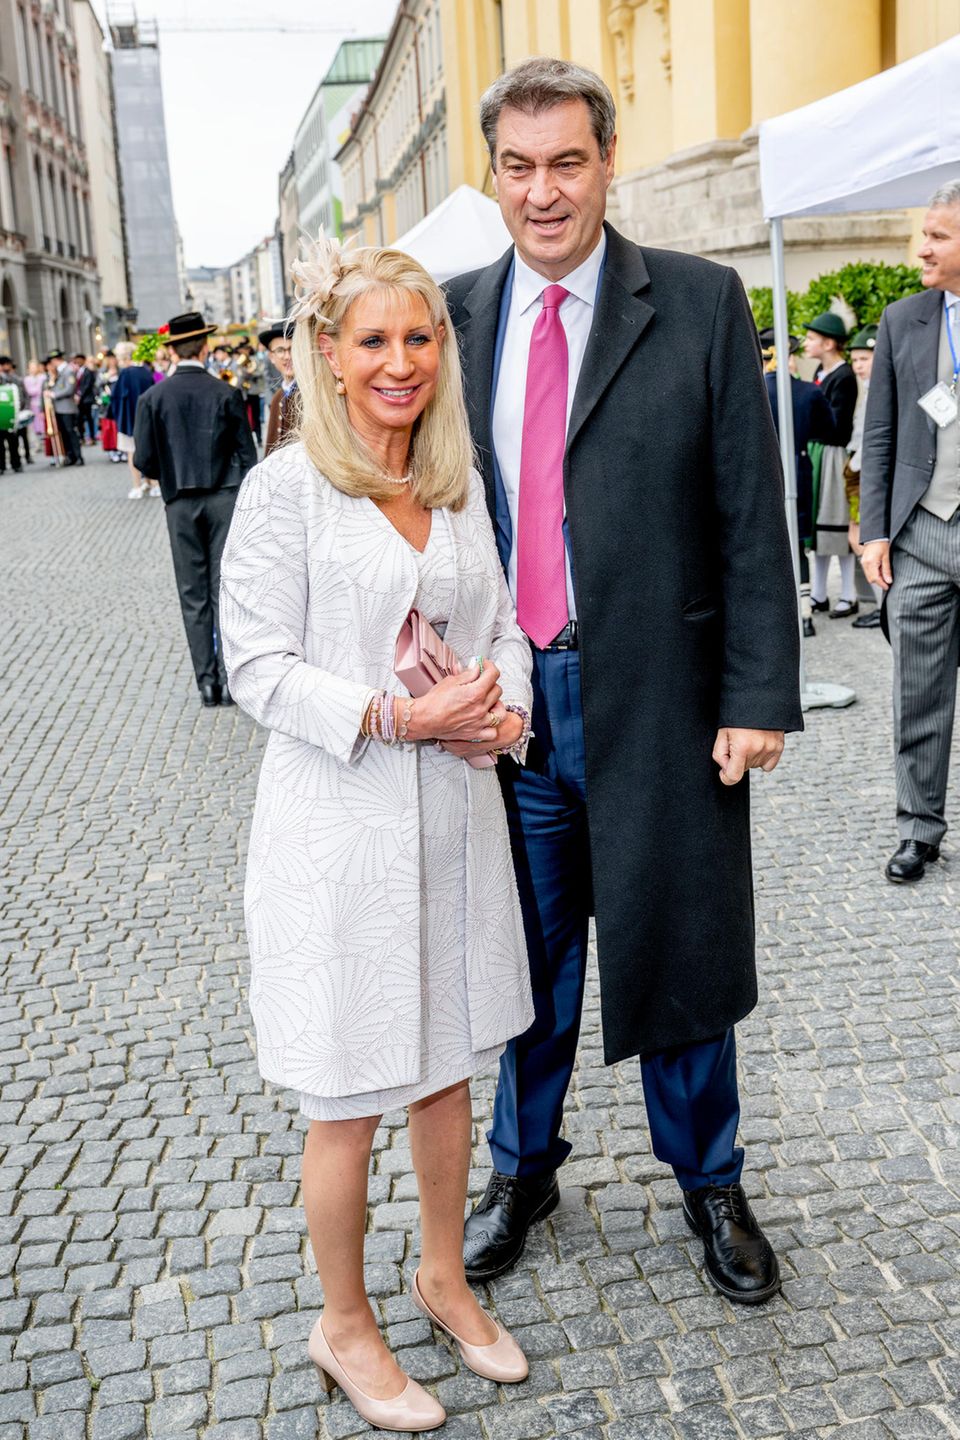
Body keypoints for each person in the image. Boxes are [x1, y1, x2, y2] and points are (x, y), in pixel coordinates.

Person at [444, 58, 802, 1305]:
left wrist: (757, 694)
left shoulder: (700, 302)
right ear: (494, 173)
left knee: (682, 952)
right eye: (520, 165)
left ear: (608, 162)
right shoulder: (455, 316)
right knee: (520, 961)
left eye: (568, 162)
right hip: (509, 711)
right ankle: (522, 1167)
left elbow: (751, 513)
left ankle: (710, 1178)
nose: (544, 192)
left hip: (661, 697)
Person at [219, 239, 534, 1434]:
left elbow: (502, 627)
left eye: (419, 338)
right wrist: (394, 715)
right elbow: (254, 666)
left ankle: (443, 1275)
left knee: (448, 1072)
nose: (399, 362)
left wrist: (502, 711)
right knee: (347, 1094)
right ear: (331, 358)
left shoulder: (454, 483)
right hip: (336, 834)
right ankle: (342, 1323)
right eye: (374, 341)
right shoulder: (286, 490)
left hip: (454, 823)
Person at [860, 179, 960, 883]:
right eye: (923, 233)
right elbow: (883, 432)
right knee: (918, 693)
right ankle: (919, 829)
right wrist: (873, 534)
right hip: (922, 533)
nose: (920, 247)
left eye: (937, 236)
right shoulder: (904, 319)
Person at [134, 312, 256, 707]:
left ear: (171, 350)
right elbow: (246, 455)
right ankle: (229, 676)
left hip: (180, 502)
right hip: (223, 498)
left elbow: (144, 459)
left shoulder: (152, 398)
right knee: (225, 590)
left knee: (193, 594)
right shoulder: (225, 393)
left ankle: (207, 683)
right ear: (204, 347)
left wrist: (169, 477)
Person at [760, 329, 841, 636]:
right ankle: (805, 614)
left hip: (765, 471)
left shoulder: (753, 390)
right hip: (799, 466)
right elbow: (829, 430)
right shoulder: (809, 391)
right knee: (798, 544)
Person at [804, 312, 859, 617]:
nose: (807, 343)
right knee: (819, 528)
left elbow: (837, 426)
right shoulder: (820, 372)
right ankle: (819, 592)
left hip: (833, 454)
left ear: (828, 343)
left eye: (812, 338)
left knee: (836, 525)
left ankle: (849, 594)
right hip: (818, 452)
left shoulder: (843, 376)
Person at [844, 327, 883, 630]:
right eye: (855, 359)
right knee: (858, 539)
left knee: (865, 540)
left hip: (867, 473)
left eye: (864, 359)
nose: (858, 365)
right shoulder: (867, 388)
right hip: (857, 470)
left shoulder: (880, 389)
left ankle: (883, 606)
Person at [109, 341, 156, 497]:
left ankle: (137, 486)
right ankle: (152, 483)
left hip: (130, 419)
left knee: (132, 453)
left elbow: (117, 397)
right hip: (147, 419)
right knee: (149, 451)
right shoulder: (145, 371)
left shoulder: (126, 374)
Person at [259, 322, 299, 455]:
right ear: (271, 357)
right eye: (280, 350)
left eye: (292, 349)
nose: (287, 356)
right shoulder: (277, 397)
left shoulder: (313, 392)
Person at [44, 349, 83, 466]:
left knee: (71, 432)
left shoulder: (68, 370)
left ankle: (78, 456)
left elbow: (69, 389)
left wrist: (54, 394)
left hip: (67, 408)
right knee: (64, 434)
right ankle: (70, 456)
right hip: (58, 408)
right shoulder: (59, 371)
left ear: (56, 360)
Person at [0, 356, 28, 470]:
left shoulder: (16, 379)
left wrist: (19, 409)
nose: (8, 367)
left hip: (13, 415)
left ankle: (16, 464)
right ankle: (1, 466)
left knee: (13, 441)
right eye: (5, 364)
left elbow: (22, 395)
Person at [23, 359, 46, 458]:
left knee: (44, 423)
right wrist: (38, 389)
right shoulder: (27, 379)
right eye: (31, 367)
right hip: (33, 404)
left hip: (44, 403)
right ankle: (37, 443)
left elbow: (43, 390)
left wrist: (38, 389)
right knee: (35, 425)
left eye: (35, 367)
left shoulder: (43, 377)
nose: (33, 369)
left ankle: (45, 442)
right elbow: (30, 391)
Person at [73, 353, 98, 444]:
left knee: (89, 418)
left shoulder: (88, 372)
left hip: (86, 399)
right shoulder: (76, 372)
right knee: (79, 419)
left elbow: (87, 386)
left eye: (80, 360)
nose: (78, 362)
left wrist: (80, 395)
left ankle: (92, 437)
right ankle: (82, 437)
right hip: (78, 400)